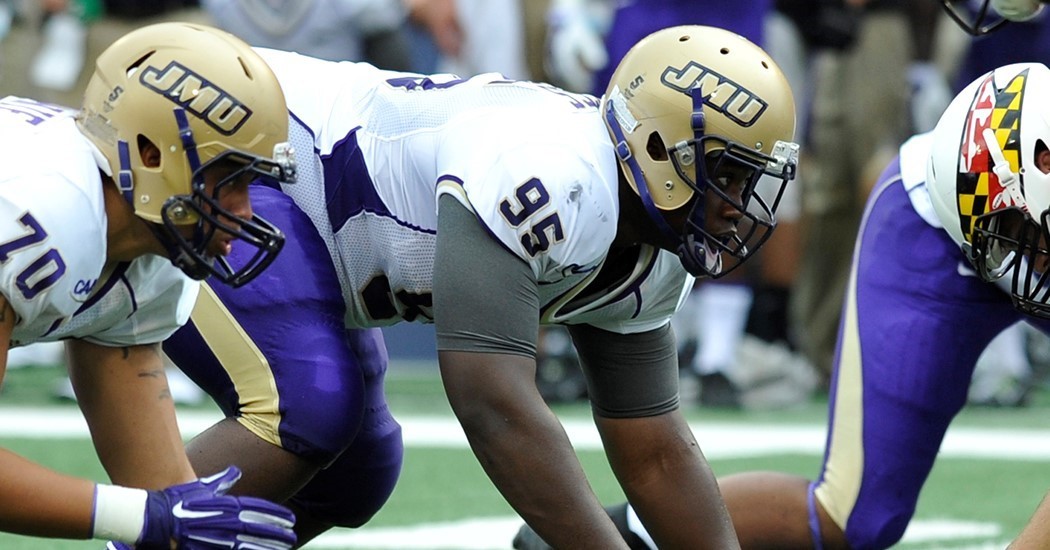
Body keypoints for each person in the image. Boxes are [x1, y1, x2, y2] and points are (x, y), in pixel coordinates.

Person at [157, 24, 800, 548]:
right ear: (664, 149)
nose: (739, 206)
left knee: (355, 472)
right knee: (308, 408)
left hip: (309, 223)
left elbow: (656, 451)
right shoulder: (550, 174)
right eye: (728, 174)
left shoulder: (653, 250)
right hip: (232, 157)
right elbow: (495, 407)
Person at [517, 60, 1050, 550]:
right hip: (931, 238)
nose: (1031, 262)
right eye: (1011, 233)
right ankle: (631, 532)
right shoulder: (952, 208)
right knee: (855, 515)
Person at [0, 21, 299, 548]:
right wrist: (141, 517)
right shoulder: (36, 207)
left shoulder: (148, 244)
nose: (244, 209)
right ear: (151, 154)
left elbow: (162, 490)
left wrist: (181, 523)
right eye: (228, 178)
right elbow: (151, 510)